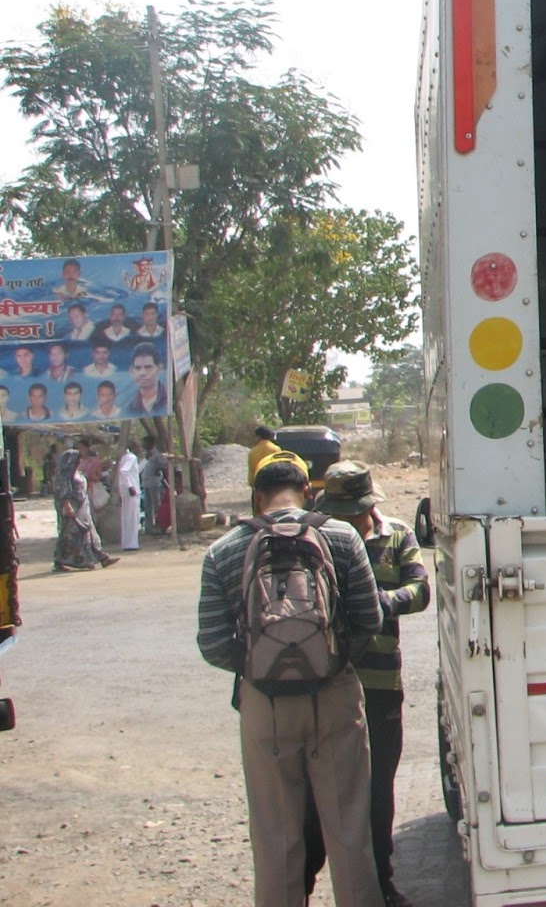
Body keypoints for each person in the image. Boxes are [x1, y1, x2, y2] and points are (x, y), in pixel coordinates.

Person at [195, 451, 386, 907]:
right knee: (349, 833)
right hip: (336, 697)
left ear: (257, 498)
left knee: (276, 838)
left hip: (266, 706)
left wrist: (262, 668)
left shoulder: (223, 550)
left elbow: (213, 641)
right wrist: (329, 662)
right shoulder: (340, 536)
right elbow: (369, 619)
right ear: (307, 491)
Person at [303, 461, 430, 907]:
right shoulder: (315, 536)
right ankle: (303, 884)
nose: (346, 521)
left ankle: (381, 883)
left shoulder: (395, 534)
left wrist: (377, 603)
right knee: (320, 795)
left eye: (352, 512)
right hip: (329, 684)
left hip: (379, 686)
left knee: (378, 793)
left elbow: (420, 590)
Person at [53, 448, 118, 571]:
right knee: (70, 536)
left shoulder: (78, 473)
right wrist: (68, 507)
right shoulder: (65, 476)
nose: (80, 461)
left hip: (83, 506)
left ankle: (101, 557)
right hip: (73, 509)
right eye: (78, 459)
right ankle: (61, 561)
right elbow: (63, 493)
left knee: (89, 532)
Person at [123, 343, 168, 416]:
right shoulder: (130, 409)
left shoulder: (169, 399)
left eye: (148, 367)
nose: (142, 373)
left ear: (159, 368)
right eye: (138, 368)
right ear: (131, 371)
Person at [117, 444, 143, 551]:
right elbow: (124, 471)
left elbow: (134, 471)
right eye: (138, 447)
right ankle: (131, 544)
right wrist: (130, 486)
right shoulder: (131, 457)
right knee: (132, 517)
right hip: (131, 491)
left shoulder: (126, 457)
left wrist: (145, 461)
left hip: (128, 491)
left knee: (127, 517)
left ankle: (128, 543)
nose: (140, 449)